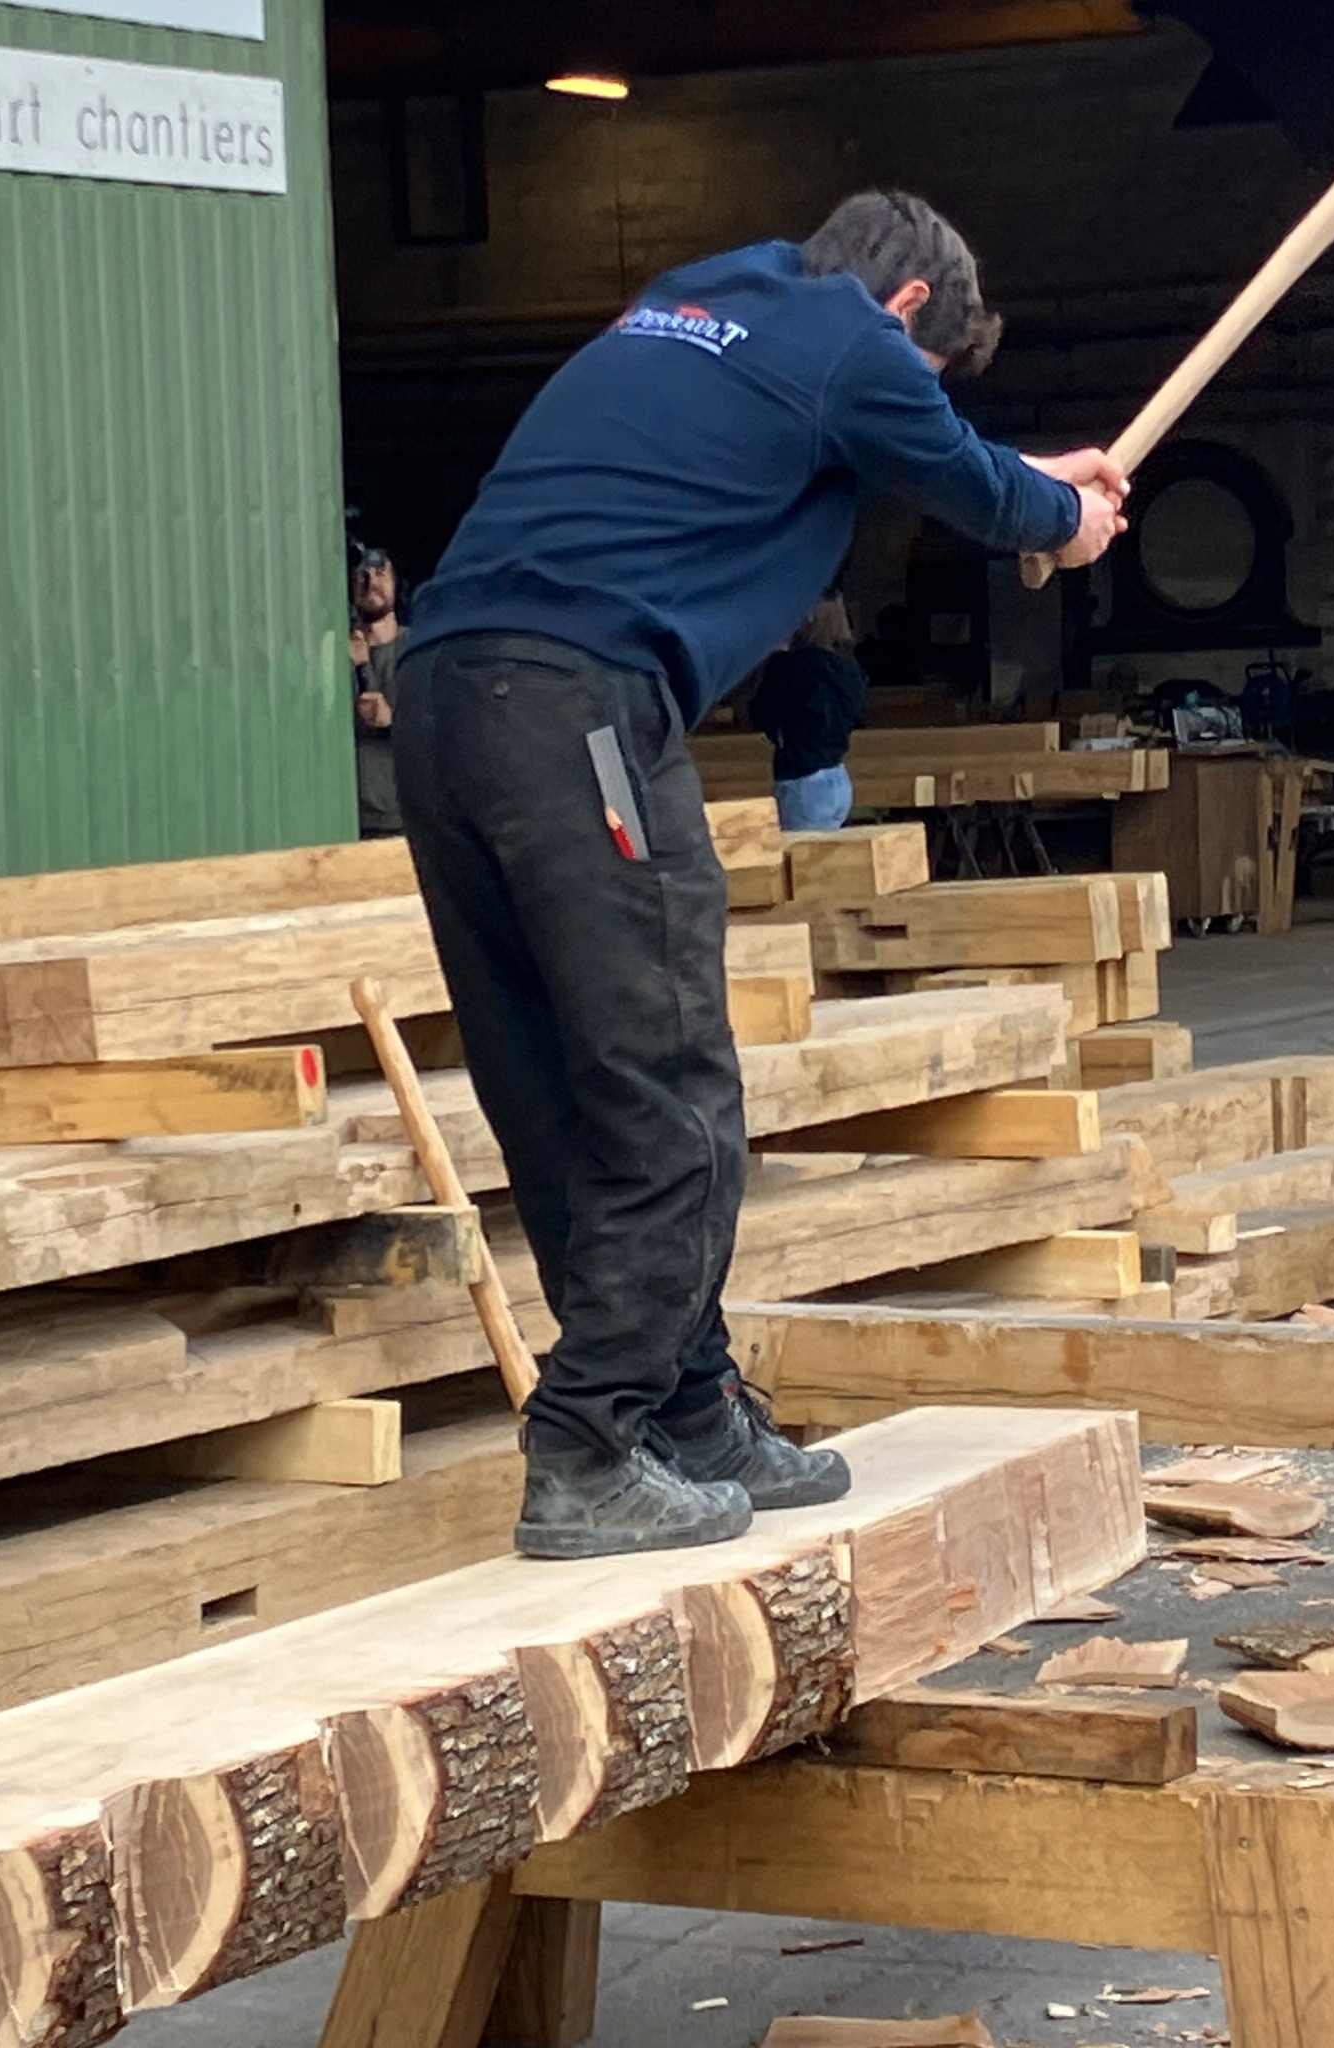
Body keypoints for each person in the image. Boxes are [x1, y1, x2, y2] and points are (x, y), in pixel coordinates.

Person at [392, 191, 1127, 1559]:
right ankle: (589, 1439)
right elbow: (968, 483)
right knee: (670, 1083)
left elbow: (920, 451)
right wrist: (1060, 518)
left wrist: (1031, 478)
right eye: (929, 371)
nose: (915, 391)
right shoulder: (856, 340)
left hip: (444, 700)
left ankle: (683, 1408)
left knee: (551, 1084)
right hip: (580, 702)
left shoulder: (705, 299)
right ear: (909, 307)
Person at [752, 595, 868, 831]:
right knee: (827, 851)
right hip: (837, 775)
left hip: (802, 776)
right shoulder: (849, 667)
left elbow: (761, 713)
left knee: (798, 851)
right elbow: (858, 712)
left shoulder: (792, 667)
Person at [351, 548, 405, 837]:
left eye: (381, 574)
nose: (372, 583)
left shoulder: (415, 650)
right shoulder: (333, 652)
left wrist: (391, 720)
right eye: (363, 576)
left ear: (396, 584)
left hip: (401, 817)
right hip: (349, 816)